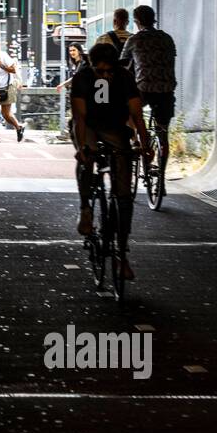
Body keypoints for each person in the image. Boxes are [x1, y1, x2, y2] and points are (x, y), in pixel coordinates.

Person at [71, 42, 154, 281]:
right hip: (90, 126)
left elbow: (137, 114)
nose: (106, 75)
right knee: (86, 157)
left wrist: (145, 144)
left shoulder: (125, 77)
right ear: (91, 66)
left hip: (115, 128)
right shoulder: (83, 78)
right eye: (101, 71)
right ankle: (86, 208)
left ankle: (122, 255)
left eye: (110, 71)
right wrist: (83, 147)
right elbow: (79, 116)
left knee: (124, 196)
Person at [120, 4, 178, 186]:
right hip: (166, 90)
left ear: (136, 22)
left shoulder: (134, 40)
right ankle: (161, 179)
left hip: (143, 88)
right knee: (163, 135)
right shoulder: (167, 38)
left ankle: (139, 142)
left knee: (128, 113)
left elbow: (122, 64)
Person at [0, 40, 24, 141]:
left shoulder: (4, 56)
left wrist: (1, 65)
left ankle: (18, 128)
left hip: (7, 88)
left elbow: (14, 70)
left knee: (5, 114)